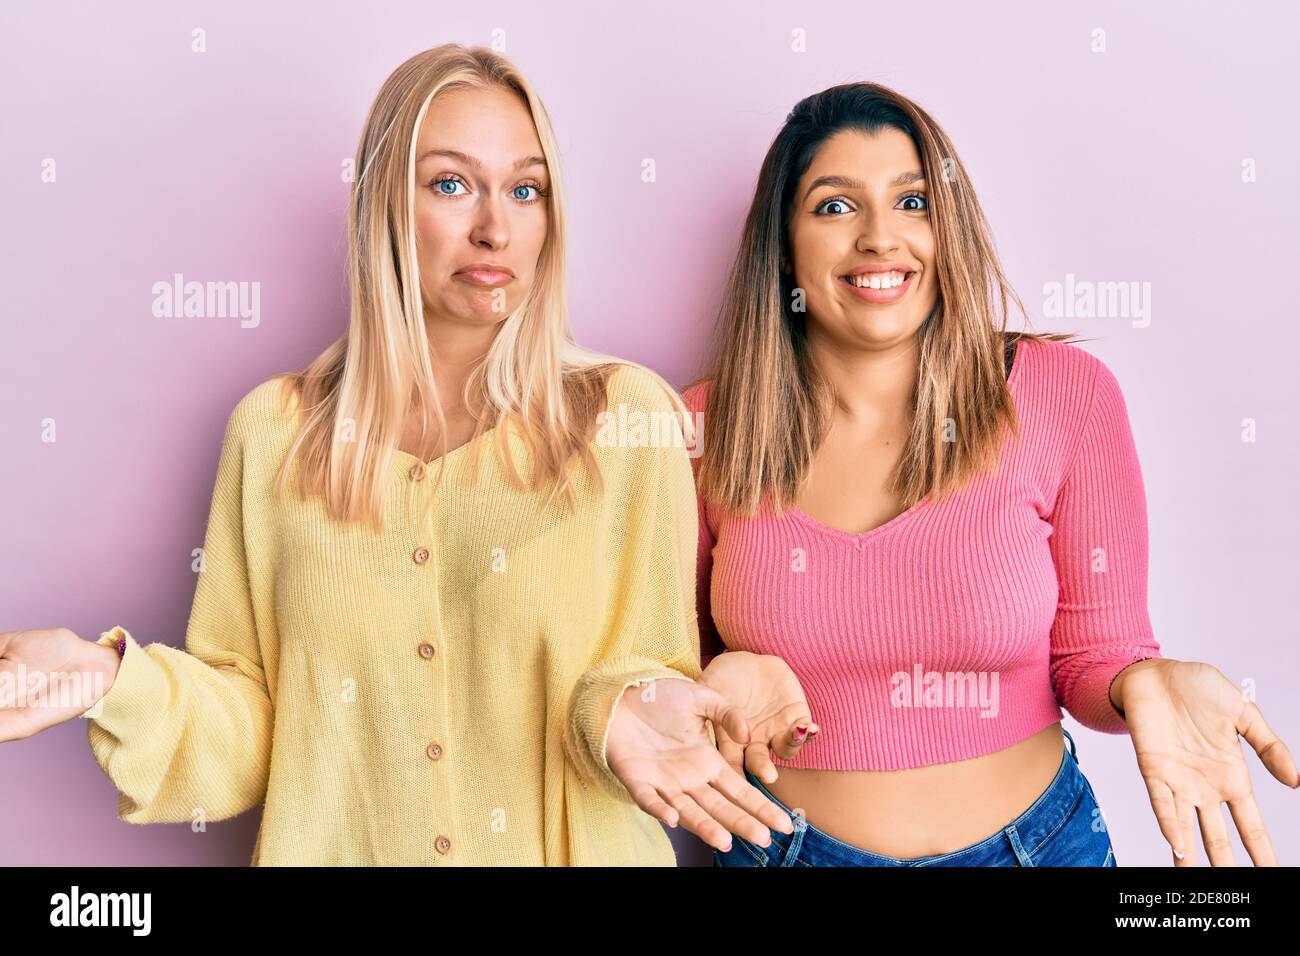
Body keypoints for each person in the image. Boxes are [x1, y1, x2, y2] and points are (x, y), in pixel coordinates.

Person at [0, 44, 795, 866]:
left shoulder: (624, 422)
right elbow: (246, 738)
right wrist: (106, 677)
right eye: (451, 184)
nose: (496, 226)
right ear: (384, 200)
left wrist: (624, 704)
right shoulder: (274, 433)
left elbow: (648, 675)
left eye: (527, 189)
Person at [686, 81, 1299, 867]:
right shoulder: (698, 432)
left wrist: (1145, 681)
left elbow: (1093, 655)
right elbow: (661, 677)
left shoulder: (1065, 397)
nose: (880, 237)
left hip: (1038, 849)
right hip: (781, 850)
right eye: (835, 207)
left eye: (913, 202)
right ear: (783, 245)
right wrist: (719, 673)